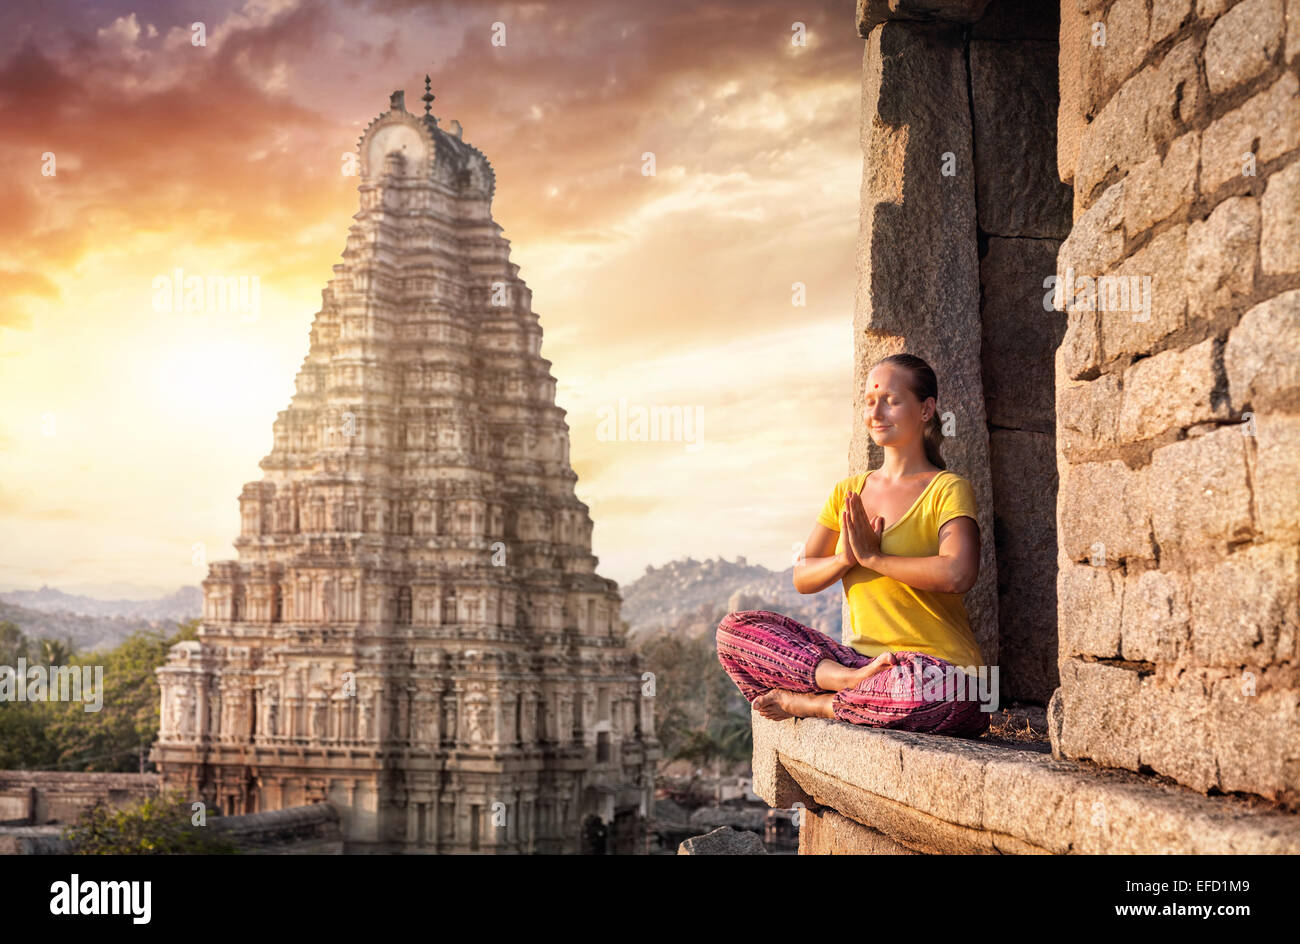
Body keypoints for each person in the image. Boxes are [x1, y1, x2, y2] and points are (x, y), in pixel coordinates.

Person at [715, 353, 991, 738]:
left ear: (926, 409)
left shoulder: (947, 489)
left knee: (948, 692)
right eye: (869, 401)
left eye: (891, 400)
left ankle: (817, 703)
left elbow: (959, 572)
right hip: (860, 663)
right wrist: (844, 558)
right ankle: (846, 683)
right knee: (734, 630)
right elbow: (803, 575)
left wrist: (875, 558)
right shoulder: (847, 492)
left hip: (935, 671)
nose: (876, 411)